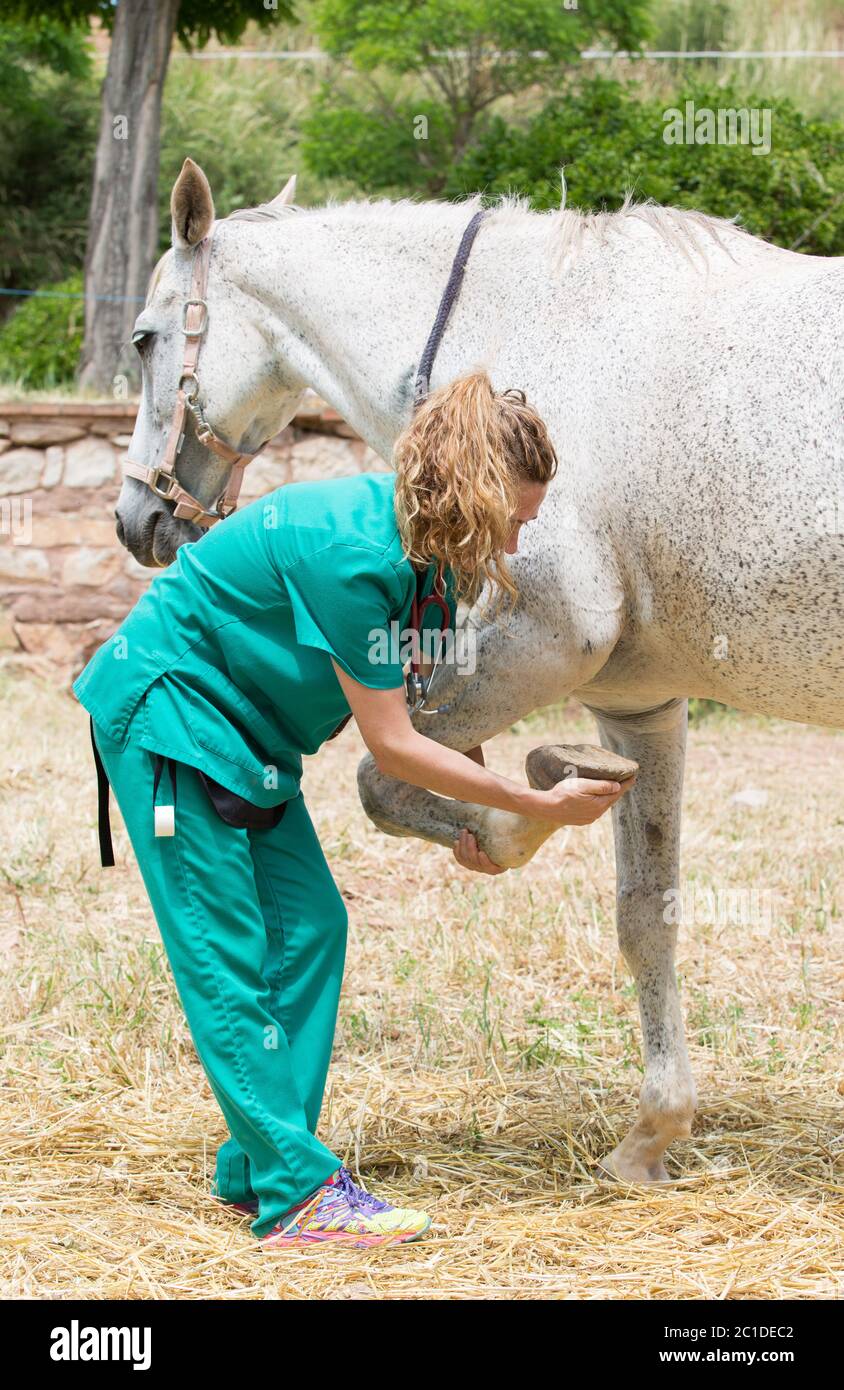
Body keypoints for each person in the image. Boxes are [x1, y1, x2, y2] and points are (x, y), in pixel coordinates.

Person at [73, 371, 633, 1247]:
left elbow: (429, 710)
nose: (525, 534)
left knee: (313, 928)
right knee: (227, 956)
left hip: (249, 746)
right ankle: (299, 1193)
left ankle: (259, 1163)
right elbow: (394, 746)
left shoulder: (439, 566)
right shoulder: (348, 553)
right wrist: (534, 804)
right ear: (477, 494)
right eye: (519, 514)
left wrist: (468, 824)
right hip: (172, 719)